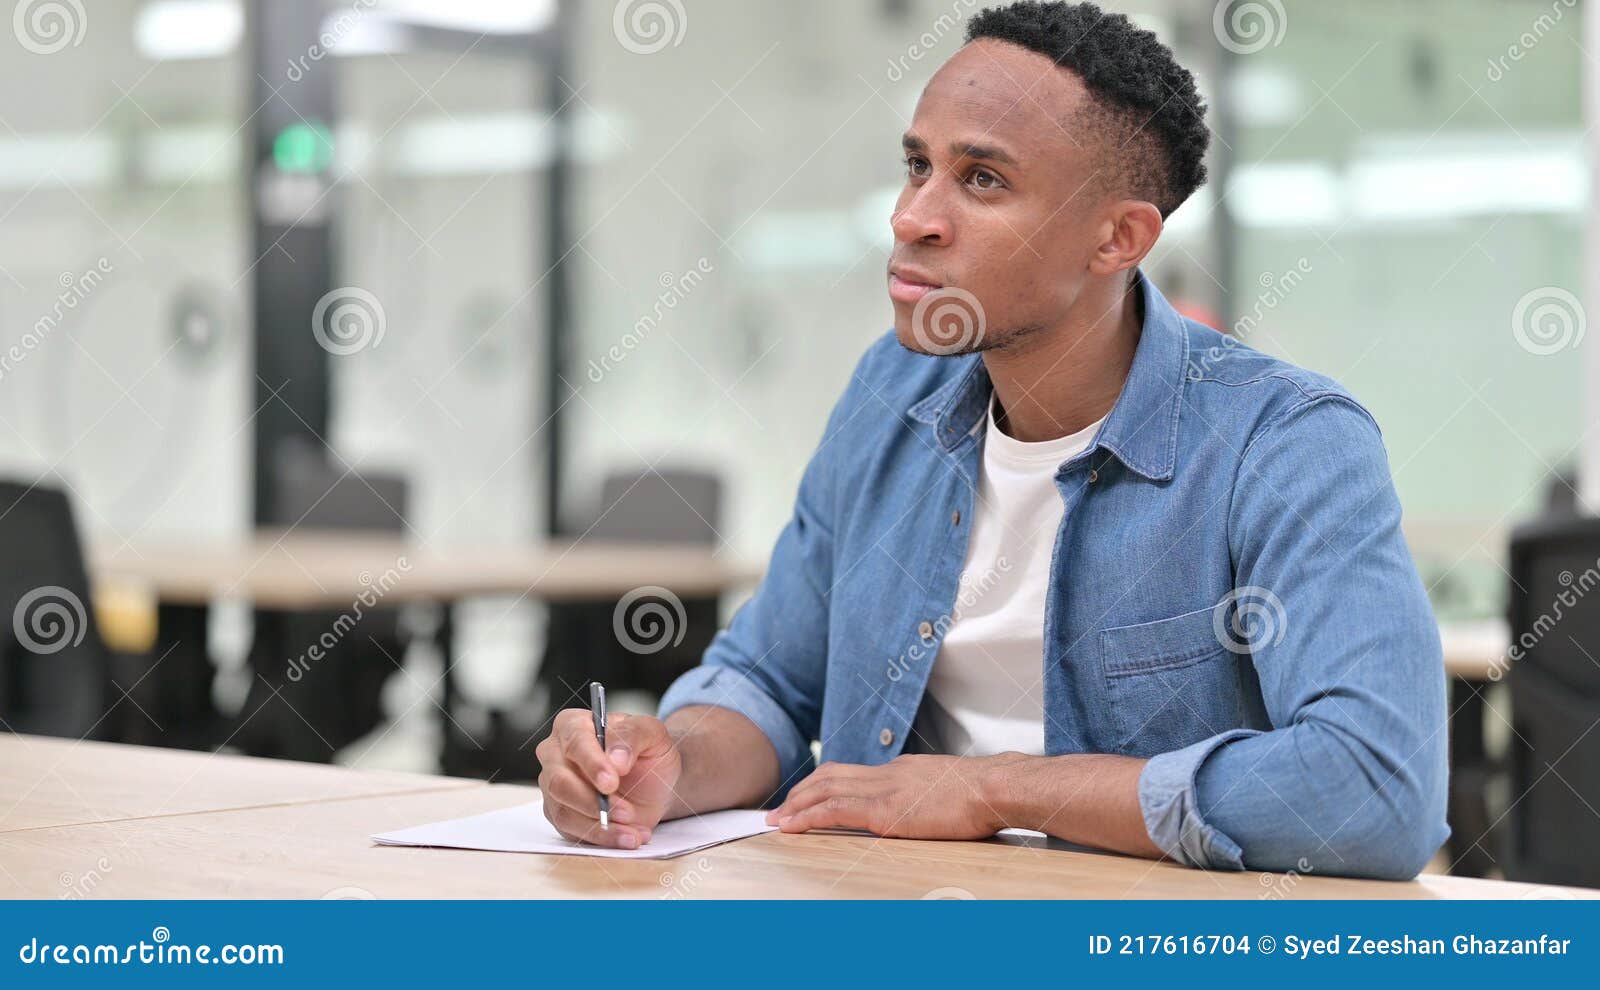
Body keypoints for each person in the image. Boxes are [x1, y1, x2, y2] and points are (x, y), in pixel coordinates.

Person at [537, 0, 1447, 879]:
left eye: (982, 180)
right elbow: (769, 684)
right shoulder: (890, 393)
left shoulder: (1284, 444)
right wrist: (672, 761)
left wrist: (992, 792)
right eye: (916, 166)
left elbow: (1376, 790)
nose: (912, 217)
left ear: (1117, 238)